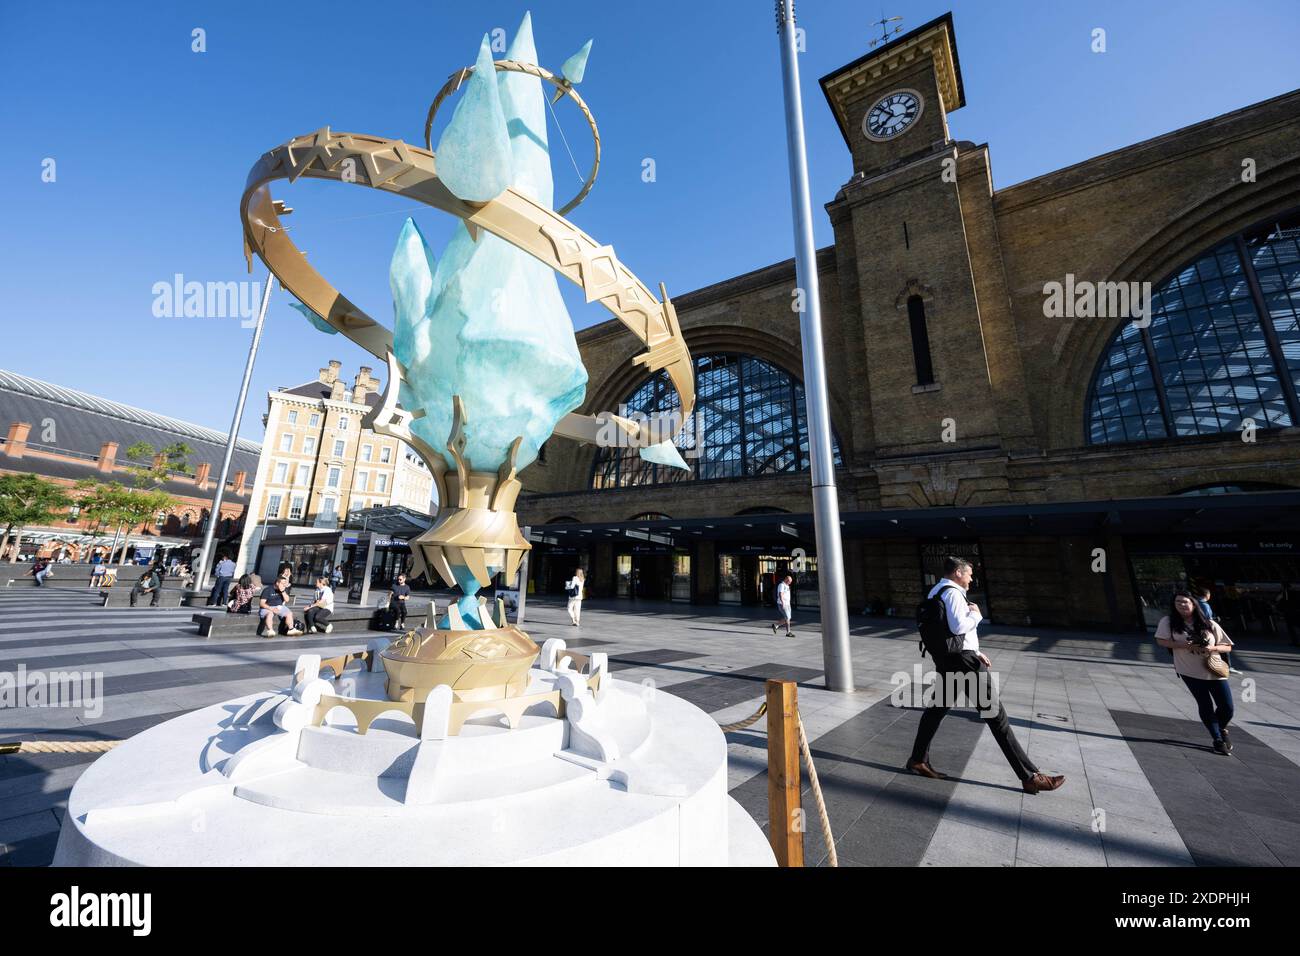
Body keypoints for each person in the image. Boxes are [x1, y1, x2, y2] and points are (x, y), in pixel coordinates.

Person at [907, 556, 1066, 794]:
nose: (971, 579)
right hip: (964, 663)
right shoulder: (952, 593)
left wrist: (977, 651)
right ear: (958, 572)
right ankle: (1030, 776)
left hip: (951, 659)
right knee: (996, 717)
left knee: (935, 711)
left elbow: (949, 631)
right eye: (969, 574)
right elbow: (959, 627)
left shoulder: (936, 591)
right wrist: (977, 614)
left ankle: (918, 760)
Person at [1155, 589, 1236, 755]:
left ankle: (1221, 728)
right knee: (1205, 704)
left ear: (1193, 604)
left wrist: (1211, 647)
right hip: (1188, 670)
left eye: (1185, 601)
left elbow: (1227, 646)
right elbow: (1161, 641)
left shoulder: (1209, 623)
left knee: (1227, 707)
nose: (1181, 605)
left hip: (1214, 669)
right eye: (1178, 602)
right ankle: (1217, 739)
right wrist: (1186, 646)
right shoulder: (1168, 622)